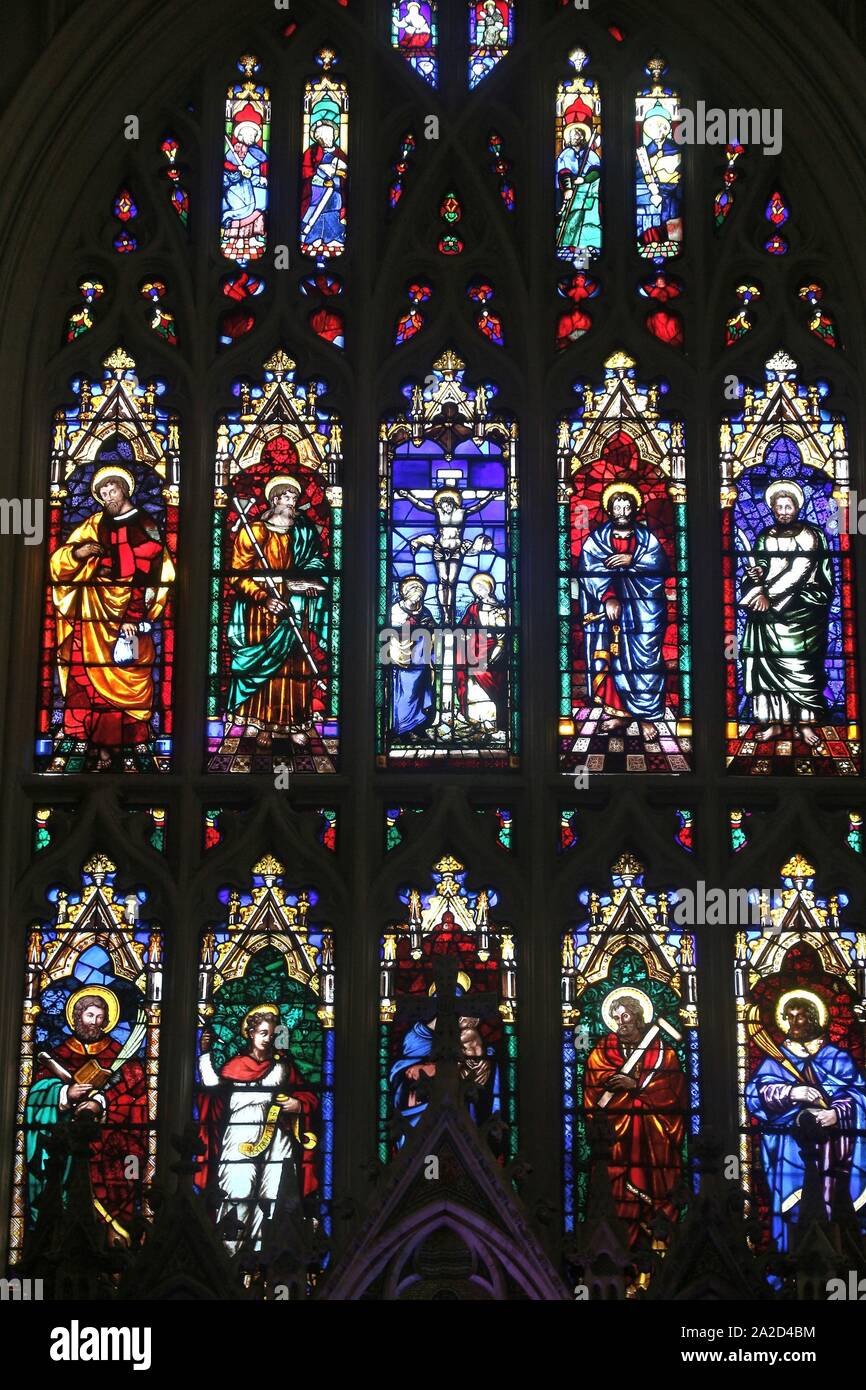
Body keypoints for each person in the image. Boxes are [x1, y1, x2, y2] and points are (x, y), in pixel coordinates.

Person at [49, 462, 174, 768]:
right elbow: (58, 561)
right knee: (84, 669)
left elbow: (154, 569)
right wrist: (79, 553)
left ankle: (128, 745)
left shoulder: (145, 524)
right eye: (103, 491)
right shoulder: (94, 523)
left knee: (131, 670)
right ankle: (83, 737)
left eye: (112, 488)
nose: (108, 495)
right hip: (93, 606)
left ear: (125, 489)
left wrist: (134, 613)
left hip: (131, 611)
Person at [745, 992, 866, 1253]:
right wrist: (791, 1093)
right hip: (789, 1150)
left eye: (800, 1017)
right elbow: (756, 1095)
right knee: (791, 1209)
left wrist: (838, 1113)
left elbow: (858, 1096)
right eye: (789, 1018)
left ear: (814, 1019)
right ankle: (784, 1262)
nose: (794, 1023)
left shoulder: (837, 1057)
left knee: (837, 1209)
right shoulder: (777, 1058)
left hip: (835, 1153)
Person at [26, 987, 147, 1244]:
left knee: (121, 1196)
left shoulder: (122, 1056)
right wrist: (65, 1095)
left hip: (111, 1155)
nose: (95, 1022)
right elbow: (35, 1096)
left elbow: (138, 1096)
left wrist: (102, 1103)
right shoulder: (59, 1054)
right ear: (76, 1016)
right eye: (89, 1015)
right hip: (65, 1151)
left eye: (101, 1017)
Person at [197, 1005, 318, 1256]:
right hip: (241, 1133)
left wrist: (297, 1104)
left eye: (272, 1035)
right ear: (250, 1033)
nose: (268, 1039)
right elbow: (212, 1089)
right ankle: (230, 1258)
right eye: (263, 1033)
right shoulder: (235, 1066)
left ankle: (267, 1258)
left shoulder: (284, 1066)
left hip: (278, 1136)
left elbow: (309, 1097)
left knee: (276, 1195)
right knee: (237, 1192)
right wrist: (205, 1053)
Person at [227, 473, 327, 747]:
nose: (292, 502)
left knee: (294, 666)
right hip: (260, 611)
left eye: (295, 497)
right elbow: (237, 573)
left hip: (294, 607)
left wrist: (309, 581)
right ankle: (255, 721)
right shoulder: (255, 531)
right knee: (261, 664)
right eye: (287, 497)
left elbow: (317, 562)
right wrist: (262, 597)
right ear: (274, 499)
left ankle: (295, 723)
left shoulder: (303, 529)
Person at [583, 990, 686, 1248]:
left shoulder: (664, 1053)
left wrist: (636, 1086)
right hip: (615, 1145)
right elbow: (594, 1091)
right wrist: (614, 1084)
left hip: (655, 1147)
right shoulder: (602, 1051)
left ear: (639, 1017)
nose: (621, 1022)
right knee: (616, 1201)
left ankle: (661, 1251)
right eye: (616, 1018)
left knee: (658, 1198)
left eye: (626, 1015)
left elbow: (674, 1094)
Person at [739, 481, 834, 745]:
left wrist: (768, 596)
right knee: (765, 665)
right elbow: (761, 565)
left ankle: (806, 723)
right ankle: (775, 723)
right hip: (766, 611)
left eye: (788, 506)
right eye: (778, 507)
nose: (783, 511)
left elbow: (799, 571)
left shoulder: (810, 536)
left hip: (802, 609)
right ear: (771, 508)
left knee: (802, 666)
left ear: (797, 507)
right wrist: (756, 574)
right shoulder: (765, 536)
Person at [575, 482, 669, 740]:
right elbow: (589, 571)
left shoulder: (646, 538)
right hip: (612, 613)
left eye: (627, 505)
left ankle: (647, 716)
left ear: (634, 507)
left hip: (645, 609)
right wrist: (607, 598)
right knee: (615, 660)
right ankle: (622, 713)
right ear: (609, 508)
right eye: (617, 505)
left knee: (646, 659)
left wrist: (633, 561)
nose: (623, 510)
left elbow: (660, 565)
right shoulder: (597, 540)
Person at [454, 572, 507, 731]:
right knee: (474, 682)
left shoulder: (502, 608)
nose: (479, 592)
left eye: (481, 588)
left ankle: (495, 719)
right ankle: (476, 718)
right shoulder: (474, 608)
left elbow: (504, 632)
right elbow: (462, 626)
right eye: (476, 589)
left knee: (496, 682)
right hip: (476, 648)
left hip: (495, 646)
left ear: (489, 588)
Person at [300, 93, 348, 260]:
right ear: (318, 137)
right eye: (322, 136)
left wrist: (338, 172)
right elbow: (306, 171)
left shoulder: (339, 153)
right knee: (316, 213)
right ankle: (314, 238)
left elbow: (345, 171)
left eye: (329, 135)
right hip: (316, 188)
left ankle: (332, 238)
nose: (326, 138)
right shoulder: (312, 152)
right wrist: (320, 175)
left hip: (335, 189)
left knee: (333, 210)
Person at [389, 574, 437, 739]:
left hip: (421, 660)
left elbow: (433, 630)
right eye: (416, 590)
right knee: (405, 694)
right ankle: (402, 728)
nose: (419, 594)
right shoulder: (395, 610)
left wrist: (429, 627)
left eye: (421, 591)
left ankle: (418, 725)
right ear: (406, 592)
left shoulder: (425, 611)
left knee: (420, 692)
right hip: (403, 660)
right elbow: (391, 632)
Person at [556, 97, 601, 259]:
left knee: (586, 221)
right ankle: (570, 249)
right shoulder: (565, 154)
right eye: (573, 134)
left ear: (584, 137)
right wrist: (568, 188)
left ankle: (585, 251)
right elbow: (563, 171)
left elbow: (597, 170)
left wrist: (586, 179)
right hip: (570, 192)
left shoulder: (591, 154)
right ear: (568, 137)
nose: (576, 137)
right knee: (570, 219)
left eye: (579, 134)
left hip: (588, 194)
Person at [222, 106, 268, 262]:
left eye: (254, 134)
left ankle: (254, 236)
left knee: (261, 202)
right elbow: (226, 165)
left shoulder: (258, 151)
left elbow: (263, 165)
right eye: (248, 134)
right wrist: (238, 168)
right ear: (240, 134)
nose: (251, 137)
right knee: (241, 205)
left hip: (254, 182)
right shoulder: (235, 149)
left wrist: (262, 177)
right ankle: (237, 237)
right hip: (238, 184)